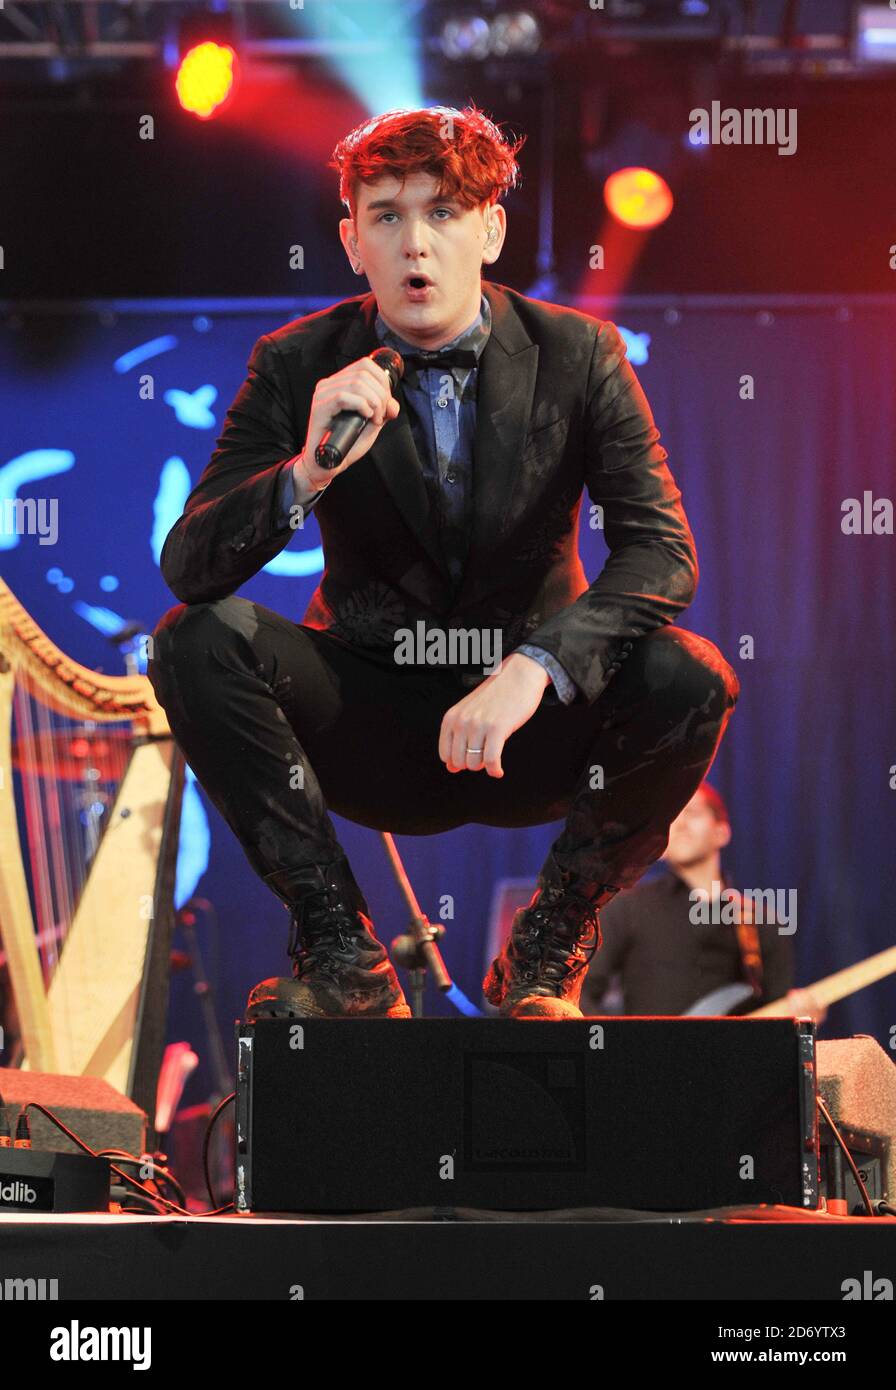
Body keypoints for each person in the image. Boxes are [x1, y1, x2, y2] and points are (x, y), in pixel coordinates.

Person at [147, 103, 741, 1023]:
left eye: (442, 214)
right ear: (352, 242)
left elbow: (661, 554)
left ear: (490, 230)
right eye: (386, 215)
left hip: (531, 731)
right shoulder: (296, 360)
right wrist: (309, 469)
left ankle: (545, 955)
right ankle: (343, 950)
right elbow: (191, 567)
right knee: (194, 639)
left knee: (688, 674)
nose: (414, 244)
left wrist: (537, 667)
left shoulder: (580, 353)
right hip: (371, 721)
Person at [582, 783, 827, 1023]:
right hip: (649, 1060)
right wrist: (615, 1053)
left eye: (693, 812)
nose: (680, 824)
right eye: (672, 818)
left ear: (722, 832)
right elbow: (581, 992)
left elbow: (777, 1013)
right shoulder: (626, 907)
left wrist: (801, 1019)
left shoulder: (762, 921)